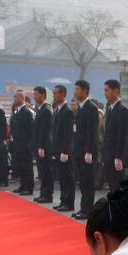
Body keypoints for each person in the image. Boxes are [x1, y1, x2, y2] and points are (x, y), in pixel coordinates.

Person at [71, 80, 99, 216]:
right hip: (78, 150)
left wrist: (89, 151)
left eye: (77, 89)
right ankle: (83, 207)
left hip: (86, 152)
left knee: (88, 181)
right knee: (82, 181)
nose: (75, 92)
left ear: (84, 91)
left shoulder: (91, 108)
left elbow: (91, 132)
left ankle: (88, 209)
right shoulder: (80, 108)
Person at [101, 79, 128, 190]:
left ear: (116, 91)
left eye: (107, 90)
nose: (105, 93)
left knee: (117, 186)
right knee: (111, 185)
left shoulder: (122, 110)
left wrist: (119, 157)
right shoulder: (110, 108)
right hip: (108, 155)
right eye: (104, 90)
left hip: (115, 156)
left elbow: (122, 135)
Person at [52, 84, 76, 212]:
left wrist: (65, 151)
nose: (54, 95)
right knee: (61, 177)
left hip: (64, 150)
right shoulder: (57, 109)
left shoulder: (67, 111)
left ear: (62, 94)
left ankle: (69, 202)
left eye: (56, 93)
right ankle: (63, 200)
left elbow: (68, 133)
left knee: (67, 177)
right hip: (57, 149)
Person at [10, 88, 34, 195]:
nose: (14, 99)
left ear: (21, 98)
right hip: (17, 144)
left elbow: (30, 130)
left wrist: (29, 144)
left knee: (27, 167)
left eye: (16, 97)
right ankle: (23, 185)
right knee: (20, 166)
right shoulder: (16, 112)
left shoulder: (26, 112)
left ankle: (28, 187)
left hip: (25, 145)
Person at [31, 86, 54, 203]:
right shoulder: (40, 109)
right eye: (34, 94)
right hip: (39, 145)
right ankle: (43, 193)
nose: (34, 97)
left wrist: (41, 146)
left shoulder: (46, 109)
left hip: (44, 146)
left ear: (43, 95)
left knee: (46, 171)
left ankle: (47, 194)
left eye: (36, 94)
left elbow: (46, 130)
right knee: (42, 171)